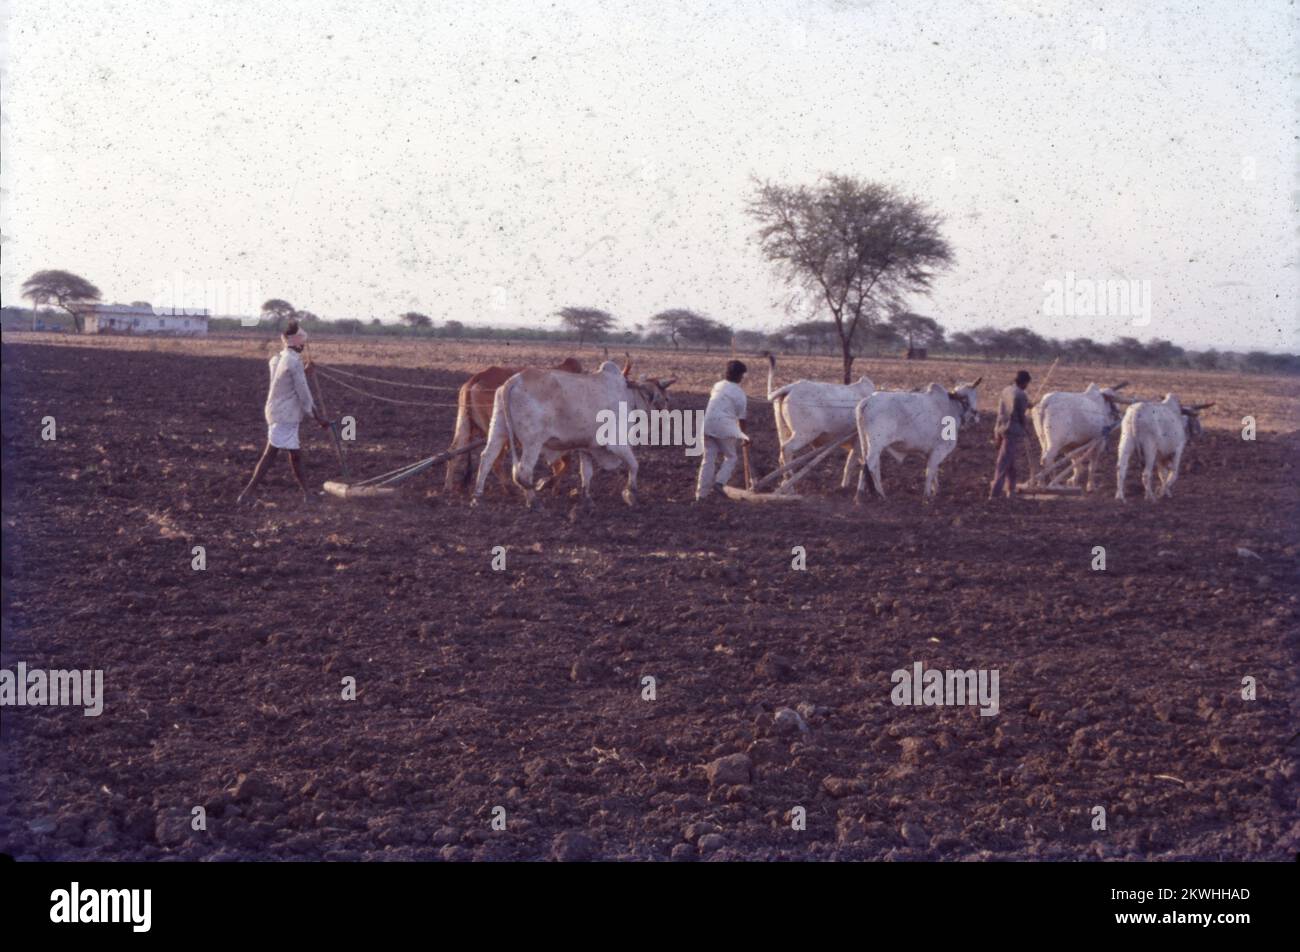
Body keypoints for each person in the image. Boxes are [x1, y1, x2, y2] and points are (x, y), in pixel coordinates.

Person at [237, 322, 329, 504]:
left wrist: (305, 372)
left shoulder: (279, 358)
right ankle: (248, 494)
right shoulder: (293, 361)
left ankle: (307, 494)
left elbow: (284, 381)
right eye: (302, 341)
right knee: (278, 454)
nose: (304, 345)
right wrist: (319, 418)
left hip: (277, 412)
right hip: (285, 415)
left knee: (288, 454)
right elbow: (303, 393)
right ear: (296, 342)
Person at [695, 360, 749, 502]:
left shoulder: (717, 385)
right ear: (740, 376)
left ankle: (701, 495)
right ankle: (719, 483)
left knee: (707, 460)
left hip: (707, 424)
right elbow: (742, 419)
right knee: (731, 457)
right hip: (724, 426)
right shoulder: (741, 395)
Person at [989, 369, 1032, 499]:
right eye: (1027, 383)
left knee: (1010, 461)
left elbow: (1006, 408)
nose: (1027, 386)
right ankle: (994, 494)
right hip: (1011, 431)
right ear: (1024, 383)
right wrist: (1025, 430)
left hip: (1000, 428)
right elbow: (1021, 416)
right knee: (1003, 462)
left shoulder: (1006, 390)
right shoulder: (1021, 395)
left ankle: (1011, 490)